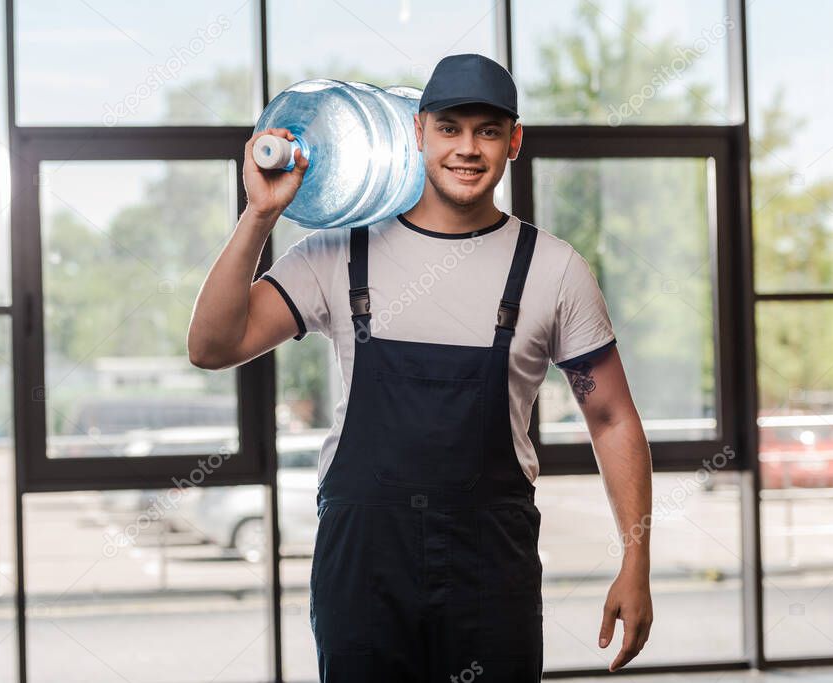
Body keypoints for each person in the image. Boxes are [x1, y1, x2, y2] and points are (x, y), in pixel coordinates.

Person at [188, 53, 653, 682]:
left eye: (488, 130)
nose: (468, 147)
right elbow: (212, 346)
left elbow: (612, 416)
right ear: (417, 131)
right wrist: (261, 214)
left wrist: (636, 561)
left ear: (514, 141)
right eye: (450, 128)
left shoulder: (553, 269)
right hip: (363, 570)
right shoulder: (338, 254)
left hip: (491, 570)